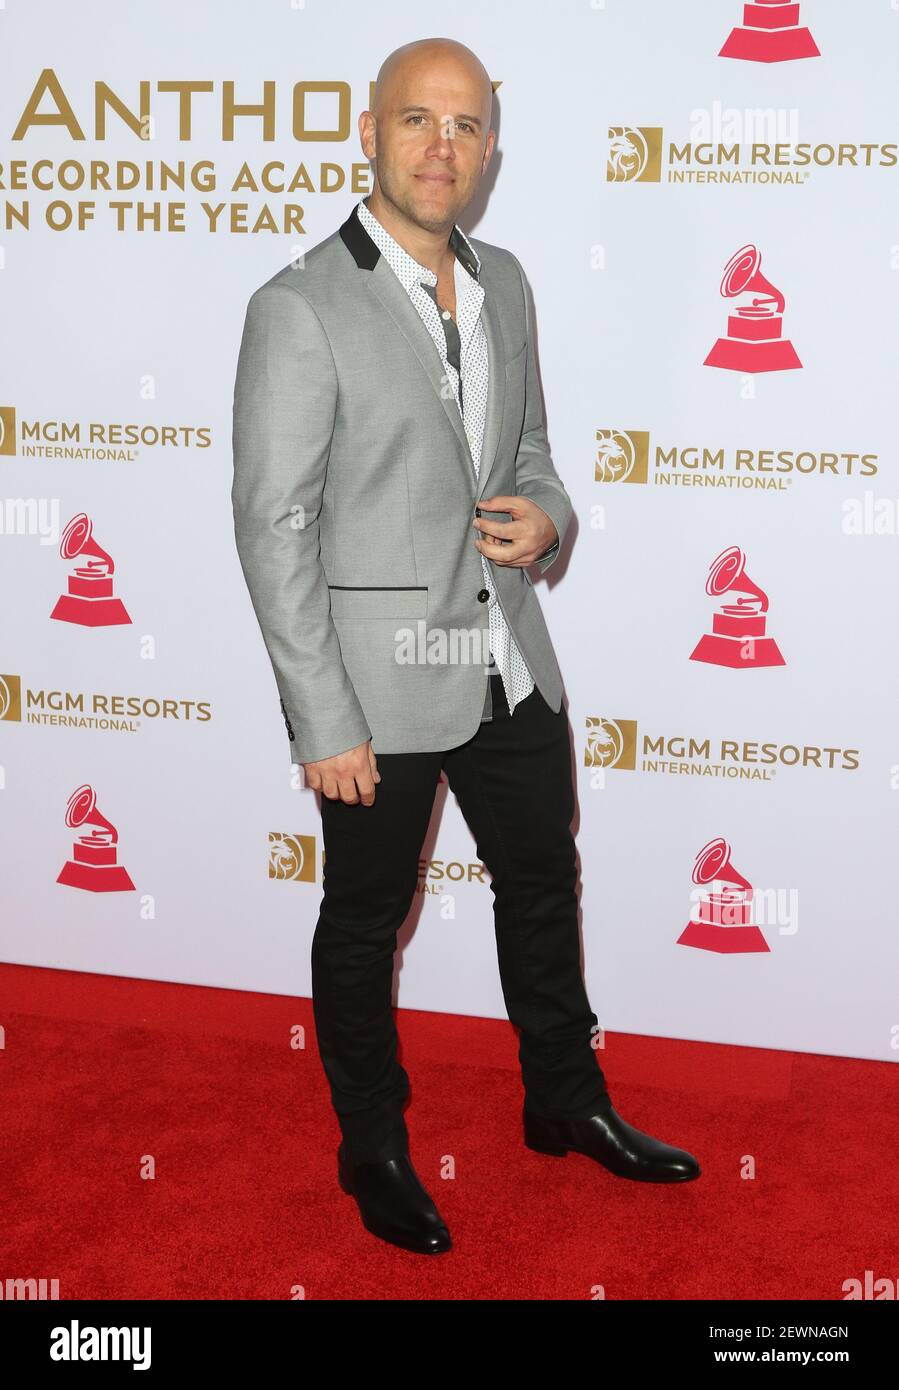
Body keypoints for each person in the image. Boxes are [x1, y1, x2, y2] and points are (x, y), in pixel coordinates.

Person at [231, 35, 700, 1256]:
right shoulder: (296, 307)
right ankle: (373, 1144)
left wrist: (549, 515)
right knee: (365, 914)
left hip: (507, 654)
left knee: (542, 883)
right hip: (378, 688)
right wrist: (321, 717)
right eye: (416, 122)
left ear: (490, 146)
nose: (441, 148)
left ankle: (564, 1098)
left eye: (465, 127)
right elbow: (274, 523)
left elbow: (530, 445)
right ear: (368, 133)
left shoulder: (508, 281)